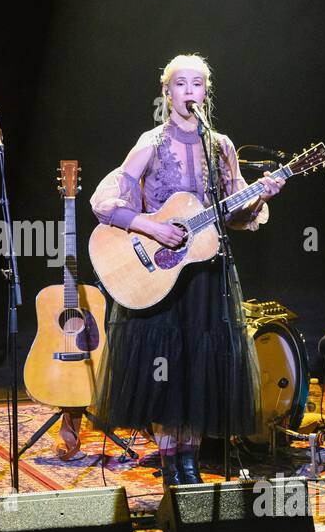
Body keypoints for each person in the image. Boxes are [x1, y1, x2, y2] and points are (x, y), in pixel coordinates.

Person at [88, 54, 284, 487]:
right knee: (166, 366)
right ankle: (167, 454)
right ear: (166, 91)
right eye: (181, 84)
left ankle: (190, 458)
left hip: (206, 275)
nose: (189, 91)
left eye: (197, 84)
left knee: (200, 364)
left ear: (205, 93)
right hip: (159, 272)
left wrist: (262, 195)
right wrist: (150, 224)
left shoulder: (221, 145)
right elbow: (105, 200)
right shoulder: (151, 142)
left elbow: (234, 214)